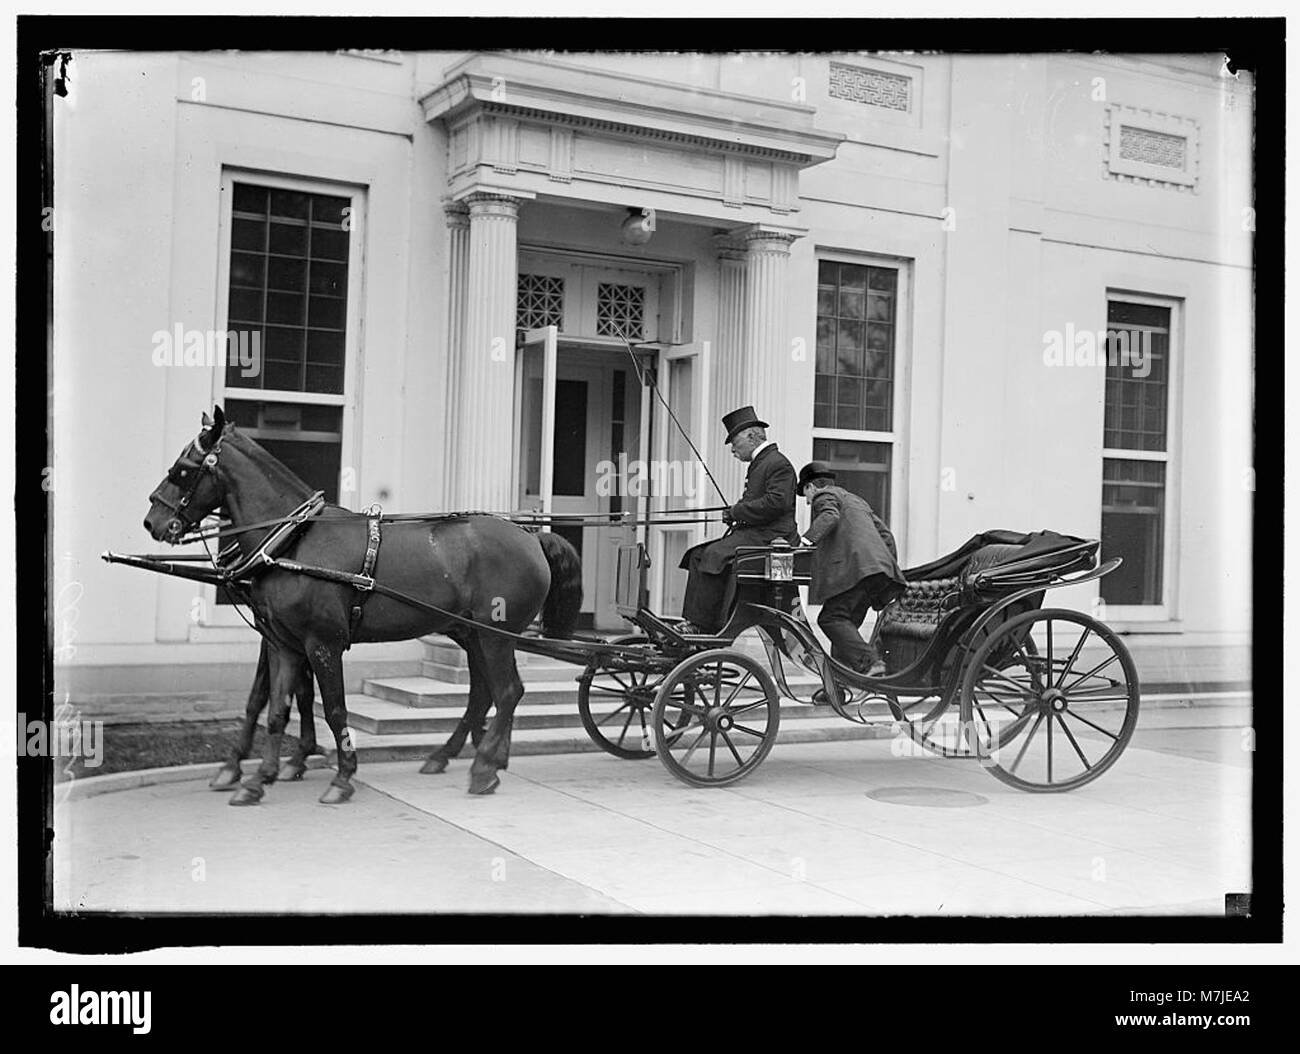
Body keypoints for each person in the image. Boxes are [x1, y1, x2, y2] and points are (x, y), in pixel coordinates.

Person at [677, 407, 800, 634]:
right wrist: (736, 514)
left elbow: (776, 503)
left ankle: (701, 625)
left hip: (772, 538)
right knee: (697, 555)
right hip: (757, 534)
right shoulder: (763, 462)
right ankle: (699, 622)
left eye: (734, 442)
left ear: (752, 436)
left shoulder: (777, 463)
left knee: (712, 555)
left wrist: (736, 512)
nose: (733, 449)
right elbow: (760, 503)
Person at [797, 461, 907, 681]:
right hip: (876, 574)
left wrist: (805, 542)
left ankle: (871, 662)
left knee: (830, 619)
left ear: (811, 487)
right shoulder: (856, 500)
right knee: (845, 630)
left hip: (856, 572)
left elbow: (829, 516)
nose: (808, 502)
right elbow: (886, 536)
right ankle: (838, 686)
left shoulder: (824, 496)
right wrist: (885, 566)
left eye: (806, 495)